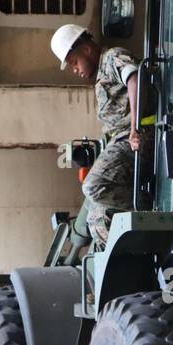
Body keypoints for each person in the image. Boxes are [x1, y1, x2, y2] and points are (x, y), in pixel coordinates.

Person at [51, 24, 142, 247]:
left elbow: (134, 79)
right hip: (120, 141)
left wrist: (134, 128)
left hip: (131, 138)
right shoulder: (101, 75)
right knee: (96, 218)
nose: (75, 69)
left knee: (92, 186)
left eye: (74, 62)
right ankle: (123, 262)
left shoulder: (113, 57)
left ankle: (145, 207)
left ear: (87, 50)